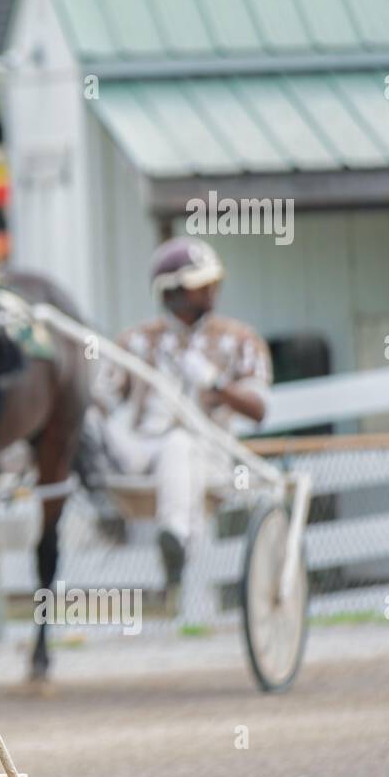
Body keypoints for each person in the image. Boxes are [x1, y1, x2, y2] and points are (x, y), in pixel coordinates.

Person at [94, 237, 271, 608]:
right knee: (96, 426)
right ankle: (103, 507)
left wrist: (216, 383)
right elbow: (102, 400)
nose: (212, 290)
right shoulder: (136, 341)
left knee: (180, 444)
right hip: (141, 455)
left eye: (211, 281)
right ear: (172, 292)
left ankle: (174, 537)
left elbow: (258, 409)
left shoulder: (238, 339)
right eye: (200, 284)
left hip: (209, 453)